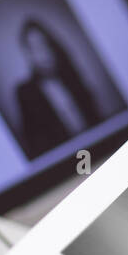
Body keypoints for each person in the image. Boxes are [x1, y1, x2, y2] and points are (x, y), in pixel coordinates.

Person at [13, 17, 104, 157]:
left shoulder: (71, 77)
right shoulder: (25, 93)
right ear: (28, 54)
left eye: (45, 44)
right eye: (36, 47)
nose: (43, 51)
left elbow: (96, 116)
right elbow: (35, 144)